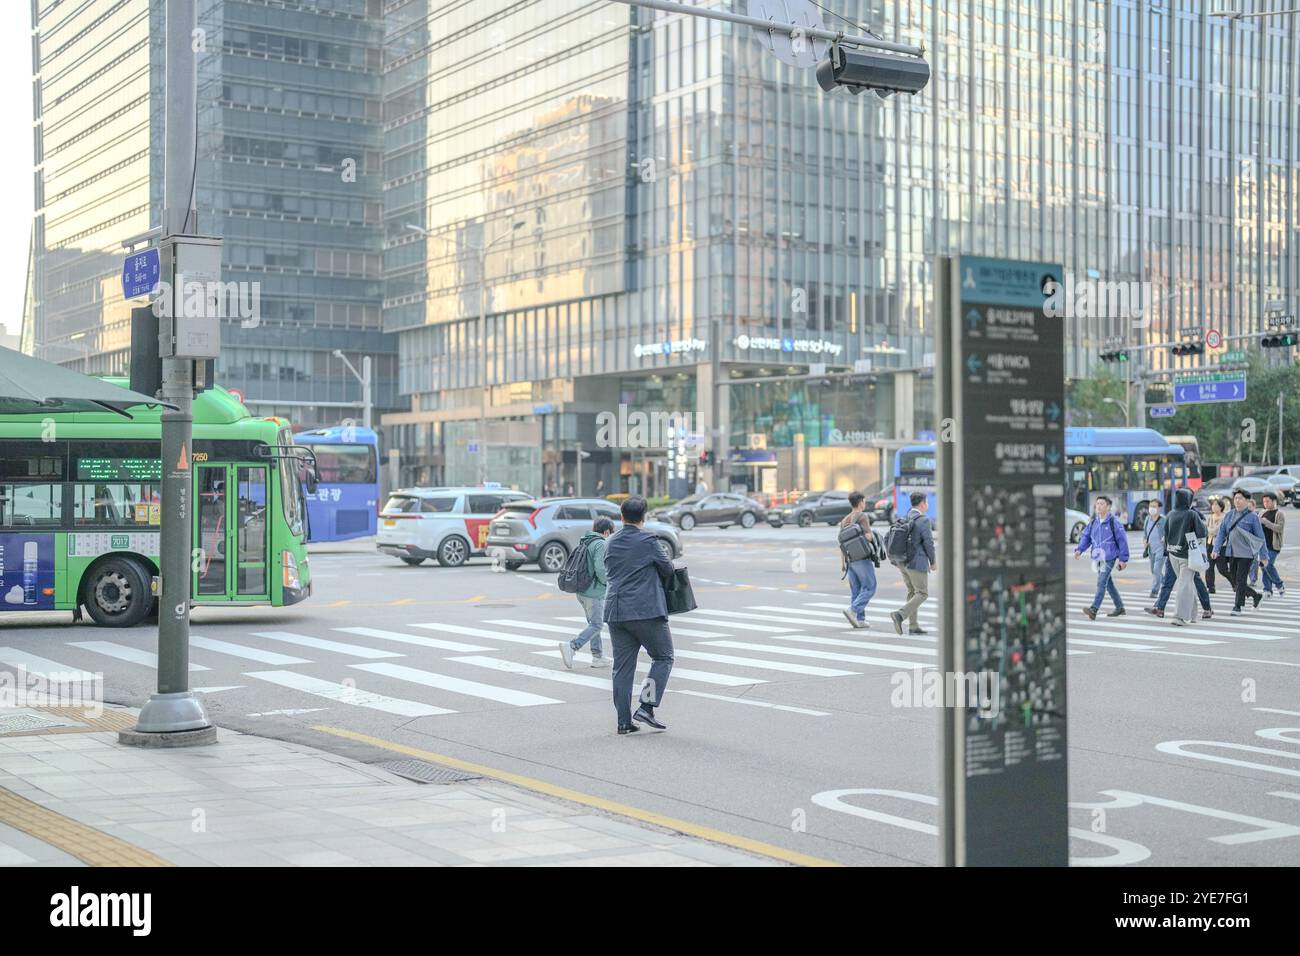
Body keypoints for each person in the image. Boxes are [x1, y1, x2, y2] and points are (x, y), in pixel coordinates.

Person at [602, 495, 677, 734]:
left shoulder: (610, 542)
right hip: (645, 611)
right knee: (663, 657)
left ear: (621, 517)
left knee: (622, 669)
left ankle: (623, 722)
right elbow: (667, 568)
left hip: (615, 611)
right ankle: (646, 706)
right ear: (643, 518)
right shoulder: (648, 541)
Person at [558, 517, 614, 669]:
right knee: (597, 624)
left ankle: (597, 657)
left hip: (582, 591)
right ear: (607, 532)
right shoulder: (601, 543)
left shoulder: (586, 541)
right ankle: (572, 646)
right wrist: (606, 583)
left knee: (594, 623)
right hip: (594, 592)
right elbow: (601, 569)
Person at [1073, 495, 1129, 620]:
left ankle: (1094, 609)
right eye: (1097, 503)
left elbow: (1122, 541)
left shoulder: (1114, 523)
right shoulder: (1094, 522)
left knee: (1101, 582)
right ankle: (1119, 607)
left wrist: (1123, 559)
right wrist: (1079, 550)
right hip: (1097, 557)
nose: (1098, 506)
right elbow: (1086, 537)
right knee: (1108, 583)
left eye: (1101, 504)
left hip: (1109, 557)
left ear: (1108, 507)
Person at [1211, 489, 1267, 615]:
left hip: (1246, 554)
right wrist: (1216, 549)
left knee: (1241, 580)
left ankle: (1237, 607)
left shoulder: (1253, 517)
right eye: (1236, 498)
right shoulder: (1229, 515)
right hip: (1231, 553)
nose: (1237, 500)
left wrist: (1264, 556)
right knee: (1236, 581)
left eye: (1240, 498)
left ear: (1247, 501)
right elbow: (1221, 534)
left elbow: (1260, 538)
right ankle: (1256, 596)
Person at [1160, 488, 1209, 626]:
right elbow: (1202, 532)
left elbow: (1166, 535)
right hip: (1187, 555)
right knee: (1185, 585)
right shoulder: (1191, 514)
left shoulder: (1170, 514)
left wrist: (1167, 552)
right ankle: (1179, 616)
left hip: (1172, 554)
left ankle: (1192, 615)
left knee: (1186, 584)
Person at [890, 491, 936, 636]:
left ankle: (913, 626)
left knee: (912, 592)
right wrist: (933, 561)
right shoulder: (923, 520)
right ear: (922, 503)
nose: (927, 504)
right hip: (916, 562)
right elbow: (928, 542)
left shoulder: (906, 516)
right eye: (926, 502)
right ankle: (900, 615)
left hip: (903, 561)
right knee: (922, 593)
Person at [839, 491, 881, 629]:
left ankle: (860, 619)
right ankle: (853, 610)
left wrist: (843, 562)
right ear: (861, 501)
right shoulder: (862, 516)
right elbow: (868, 536)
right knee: (870, 587)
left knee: (856, 590)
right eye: (864, 501)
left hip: (850, 559)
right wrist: (873, 535)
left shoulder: (844, 520)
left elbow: (842, 543)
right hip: (862, 558)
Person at [1259, 492, 1287, 597]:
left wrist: (1266, 523)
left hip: (1273, 545)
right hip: (1262, 545)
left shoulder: (1279, 514)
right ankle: (1267, 589)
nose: (1265, 503)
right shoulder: (1262, 513)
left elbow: (1279, 528)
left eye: (1268, 501)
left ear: (1274, 501)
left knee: (1268, 564)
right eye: (1264, 501)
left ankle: (1280, 585)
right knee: (1263, 567)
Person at [1142, 499, 1166, 599]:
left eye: (1154, 506)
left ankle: (1154, 591)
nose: (1152, 508)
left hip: (1161, 548)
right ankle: (1165, 582)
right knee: (1153, 570)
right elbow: (1145, 533)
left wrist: (1165, 538)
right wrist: (1144, 541)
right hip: (1151, 549)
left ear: (1159, 508)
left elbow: (1169, 532)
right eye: (1150, 506)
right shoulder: (1147, 519)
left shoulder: (1163, 520)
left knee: (1157, 569)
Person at [1204, 498, 1227, 593]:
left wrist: (1210, 531)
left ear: (1221, 507)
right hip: (1209, 544)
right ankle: (1210, 587)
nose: (1214, 507)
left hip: (1221, 545)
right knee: (1209, 567)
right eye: (1213, 505)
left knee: (1222, 569)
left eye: (1216, 505)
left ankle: (1234, 582)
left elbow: (1217, 530)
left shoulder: (1224, 517)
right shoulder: (1210, 517)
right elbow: (1206, 530)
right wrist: (1209, 531)